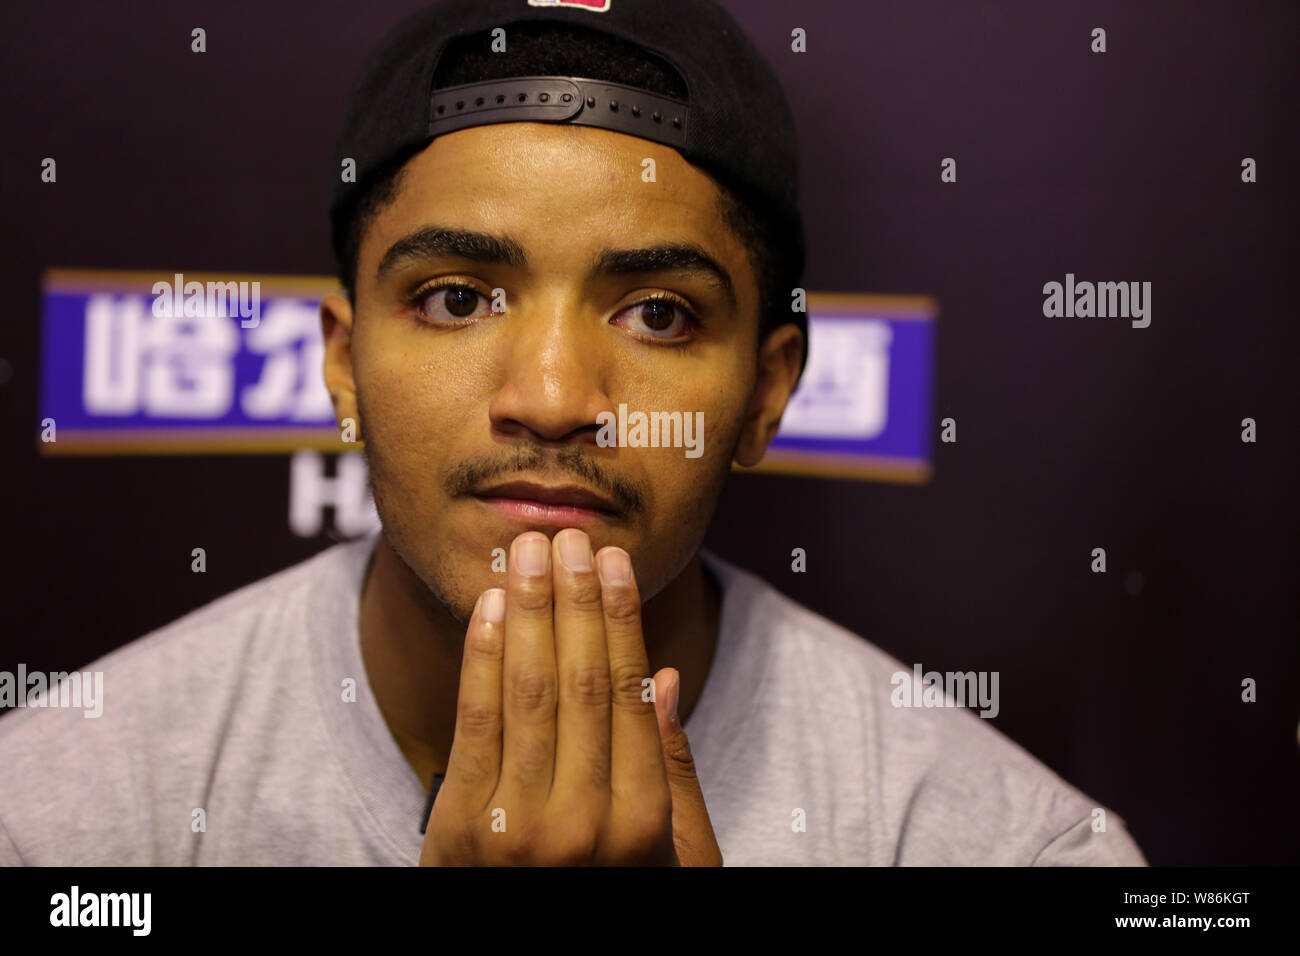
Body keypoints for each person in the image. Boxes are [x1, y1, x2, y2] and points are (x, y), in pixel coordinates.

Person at [0, 0, 1145, 865]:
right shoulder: (59, 815)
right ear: (340, 362)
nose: (552, 396)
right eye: (456, 297)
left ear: (765, 393)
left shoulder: (1007, 849)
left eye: (658, 313)